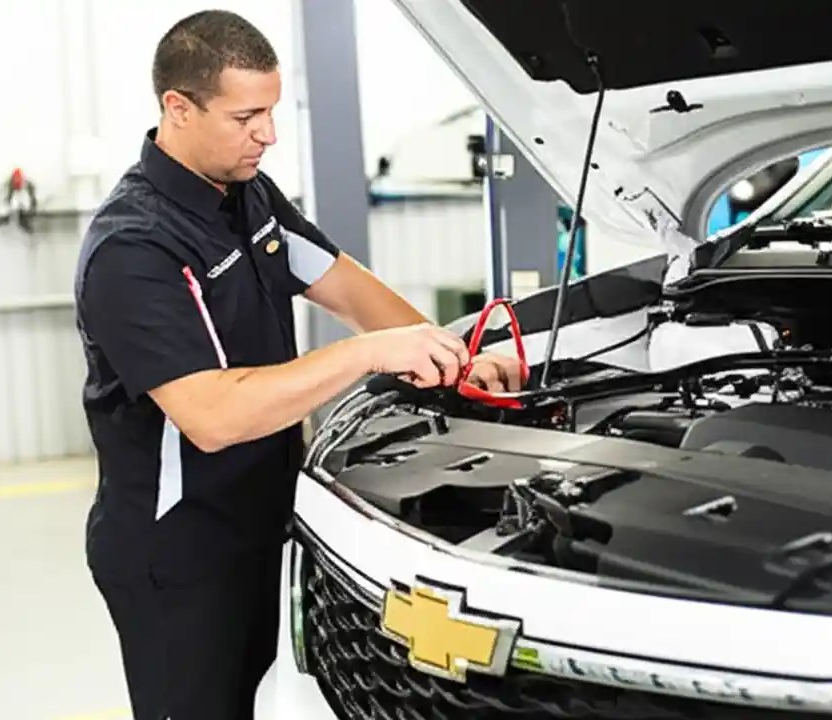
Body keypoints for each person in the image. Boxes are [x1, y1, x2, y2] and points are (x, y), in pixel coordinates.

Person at [72, 9, 523, 720]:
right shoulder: (133, 249)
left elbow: (343, 285)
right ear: (178, 108)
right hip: (181, 560)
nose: (269, 135)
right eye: (247, 116)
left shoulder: (246, 195)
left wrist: (452, 354)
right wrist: (371, 354)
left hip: (268, 526)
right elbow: (213, 417)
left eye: (273, 112)